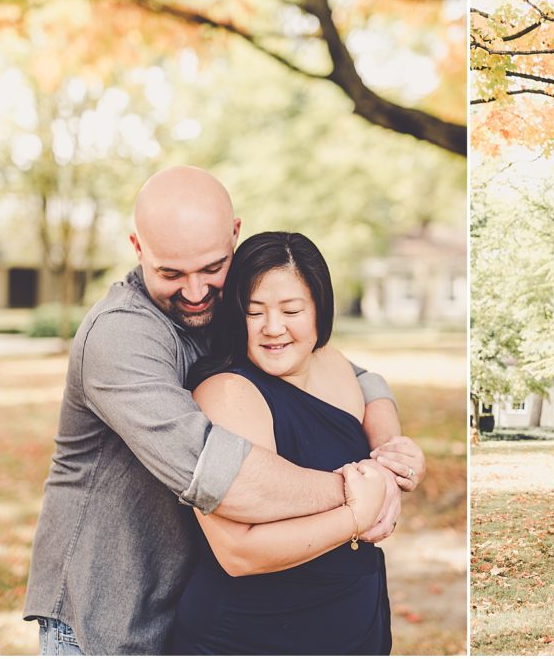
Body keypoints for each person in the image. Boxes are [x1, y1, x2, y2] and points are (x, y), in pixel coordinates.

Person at [23, 166, 425, 655]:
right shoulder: (119, 336)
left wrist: (388, 453)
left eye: (211, 267)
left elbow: (354, 376)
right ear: (137, 248)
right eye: (171, 273)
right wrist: (358, 492)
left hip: (183, 601)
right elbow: (223, 477)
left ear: (234, 234)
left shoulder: (229, 306)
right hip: (105, 615)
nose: (195, 292)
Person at [167, 231, 396, 654]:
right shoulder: (226, 394)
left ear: (319, 308)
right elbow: (238, 554)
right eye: (254, 312)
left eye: (292, 310)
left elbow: (373, 403)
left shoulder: (333, 363)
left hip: (352, 621)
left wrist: (390, 459)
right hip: (252, 634)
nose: (274, 328)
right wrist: (355, 516)